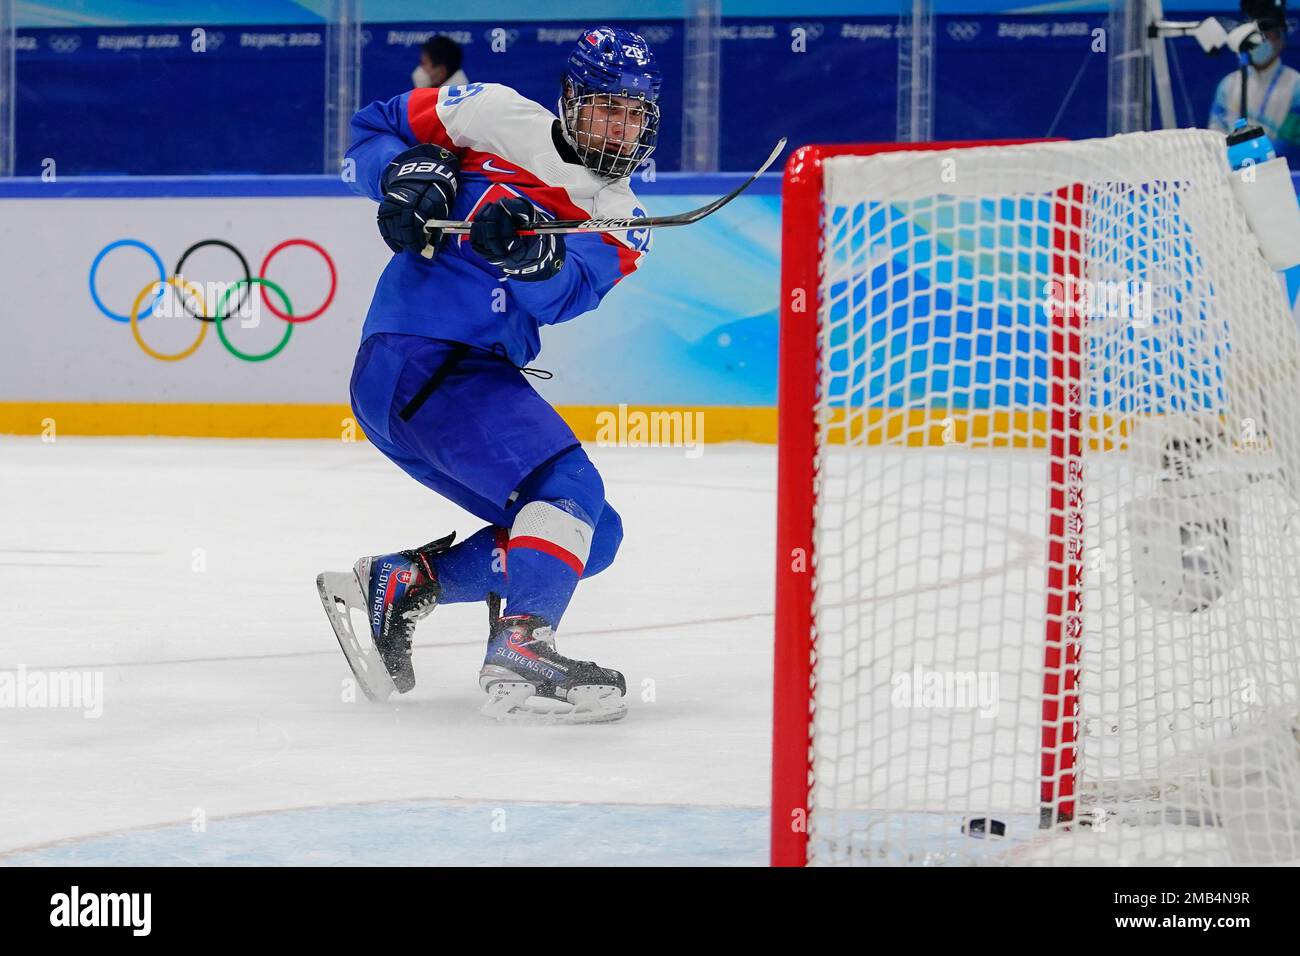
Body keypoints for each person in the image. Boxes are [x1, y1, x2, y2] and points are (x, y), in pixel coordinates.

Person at [319, 27, 660, 724]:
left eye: (634, 115)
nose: (620, 130)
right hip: (418, 356)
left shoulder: (621, 217)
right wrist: (404, 174)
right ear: (570, 101)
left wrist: (535, 257)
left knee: (596, 533)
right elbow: (368, 134)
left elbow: (567, 295)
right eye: (607, 108)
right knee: (570, 487)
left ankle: (404, 583)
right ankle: (523, 644)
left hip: (453, 380)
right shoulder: (489, 111)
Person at [1209, 0, 1300, 158]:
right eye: (1255, 33)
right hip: (1233, 172)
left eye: (1268, 33)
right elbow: (1214, 135)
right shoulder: (1229, 85)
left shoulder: (1296, 86)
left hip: (1281, 174)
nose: (1261, 41)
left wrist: (1255, 154)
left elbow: (1292, 142)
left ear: (1281, 38)